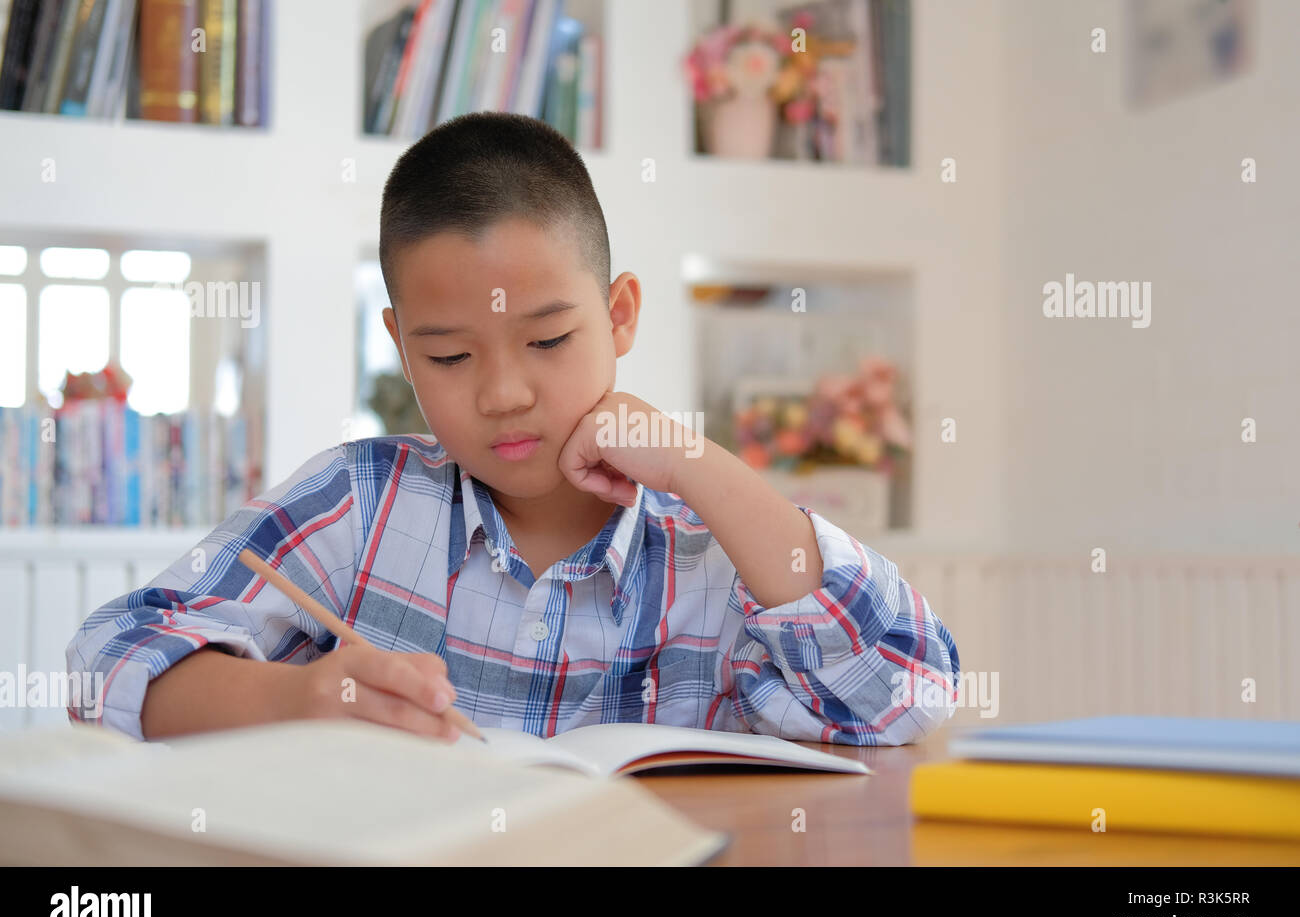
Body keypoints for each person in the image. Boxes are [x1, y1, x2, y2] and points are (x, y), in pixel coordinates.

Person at [67, 111, 959, 746]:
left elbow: (909, 692)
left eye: (548, 339)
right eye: (450, 358)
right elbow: (107, 658)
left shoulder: (719, 549)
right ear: (401, 350)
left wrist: (700, 464)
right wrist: (301, 695)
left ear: (619, 316)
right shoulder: (358, 503)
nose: (502, 393)